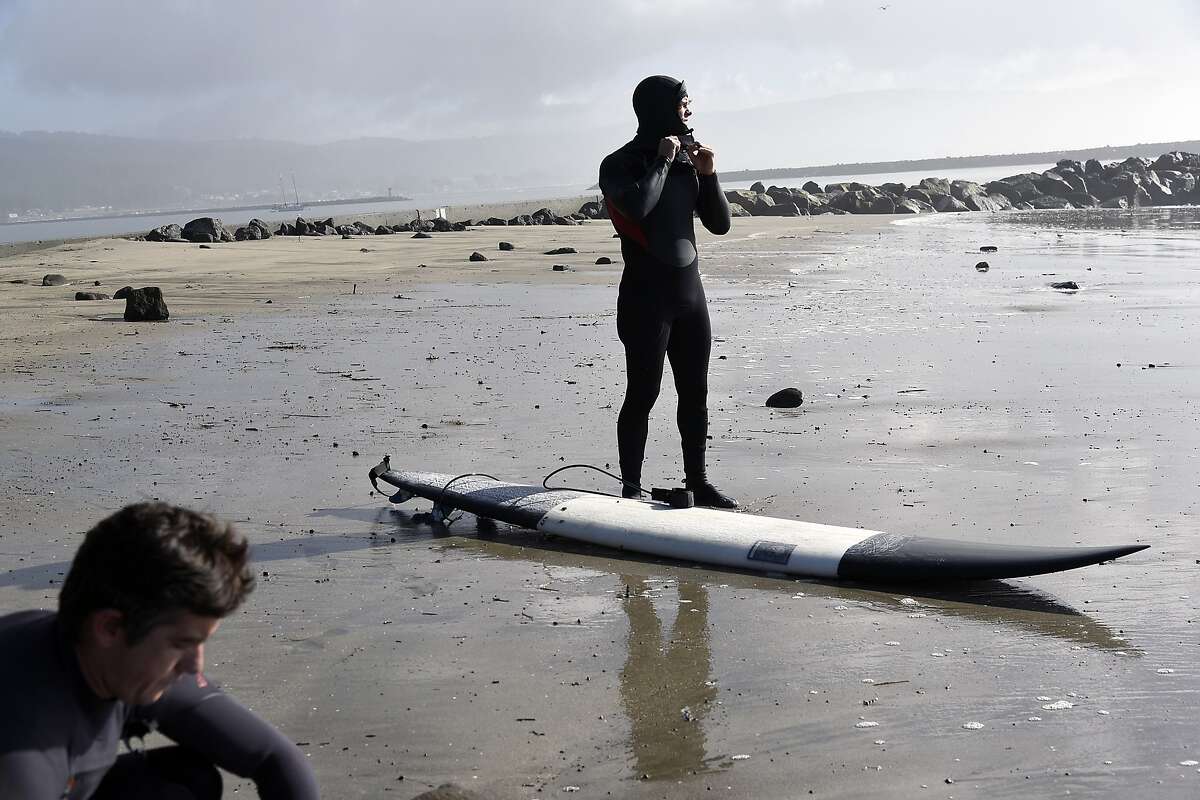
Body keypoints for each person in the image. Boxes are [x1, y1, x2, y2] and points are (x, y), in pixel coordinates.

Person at [0, 502, 319, 799]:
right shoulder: (22, 754)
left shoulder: (112, 659)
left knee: (184, 780)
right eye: (182, 644)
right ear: (109, 628)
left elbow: (275, 760)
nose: (195, 666)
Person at [599, 75, 737, 508]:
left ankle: (698, 483)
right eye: (682, 105)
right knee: (643, 394)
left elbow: (719, 224)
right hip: (645, 299)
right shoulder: (619, 163)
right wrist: (661, 161)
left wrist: (709, 176)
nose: (689, 112)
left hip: (690, 299)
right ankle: (631, 488)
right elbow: (637, 207)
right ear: (660, 109)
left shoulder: (687, 162)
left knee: (696, 391)